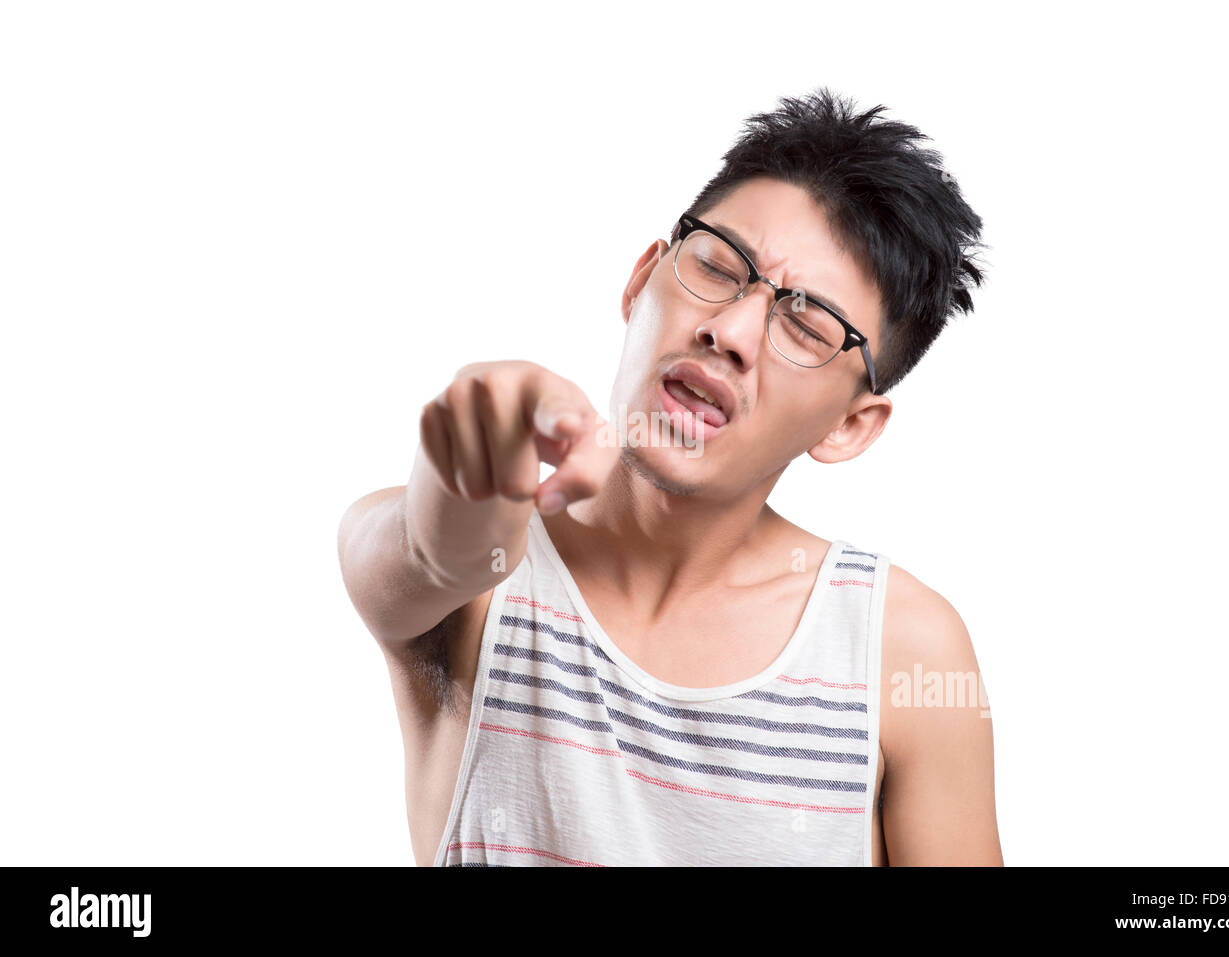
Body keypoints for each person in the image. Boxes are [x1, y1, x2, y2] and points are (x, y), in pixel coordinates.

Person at [337, 88, 1002, 866]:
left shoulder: (901, 646)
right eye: (720, 266)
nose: (731, 330)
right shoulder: (488, 585)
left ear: (848, 426)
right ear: (641, 278)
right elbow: (429, 554)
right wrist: (468, 463)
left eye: (806, 323)